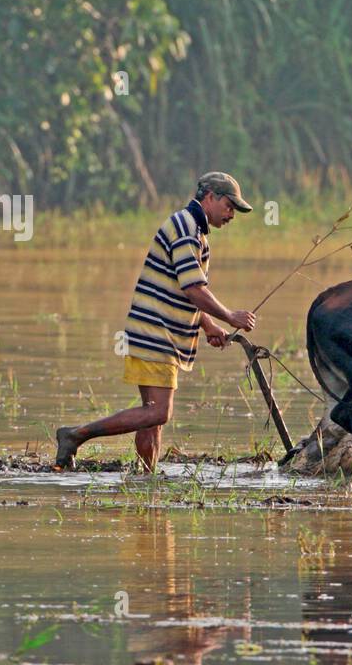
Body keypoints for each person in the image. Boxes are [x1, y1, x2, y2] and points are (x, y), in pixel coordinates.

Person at [53, 172, 256, 472]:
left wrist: (208, 326)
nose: (231, 215)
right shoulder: (186, 229)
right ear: (210, 197)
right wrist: (228, 316)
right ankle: (76, 435)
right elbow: (193, 288)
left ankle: (147, 480)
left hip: (152, 333)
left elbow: (181, 289)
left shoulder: (195, 231)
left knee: (151, 421)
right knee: (159, 413)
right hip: (156, 334)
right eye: (229, 206)